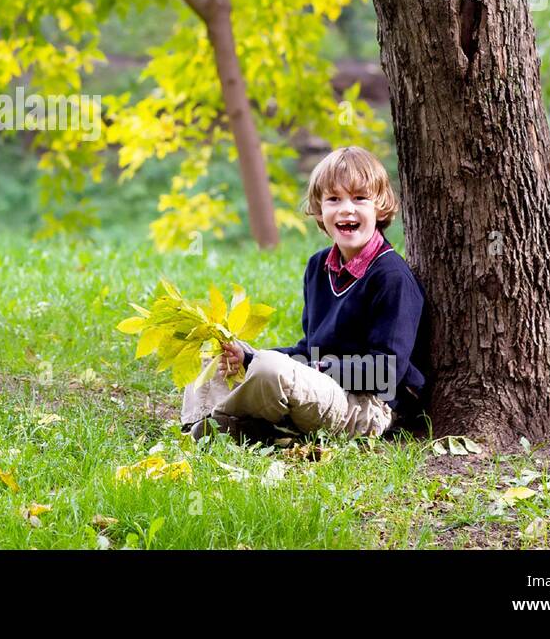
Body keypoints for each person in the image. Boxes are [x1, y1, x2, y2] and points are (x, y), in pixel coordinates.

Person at [181, 146, 428, 444]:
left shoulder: (391, 276)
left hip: (368, 407)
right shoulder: (318, 267)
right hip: (318, 387)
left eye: (359, 198)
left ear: (380, 206)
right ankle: (210, 425)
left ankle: (226, 424)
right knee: (216, 353)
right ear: (320, 209)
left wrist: (311, 368)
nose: (346, 208)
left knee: (271, 370)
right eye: (334, 199)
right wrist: (248, 356)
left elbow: (387, 372)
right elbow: (308, 348)